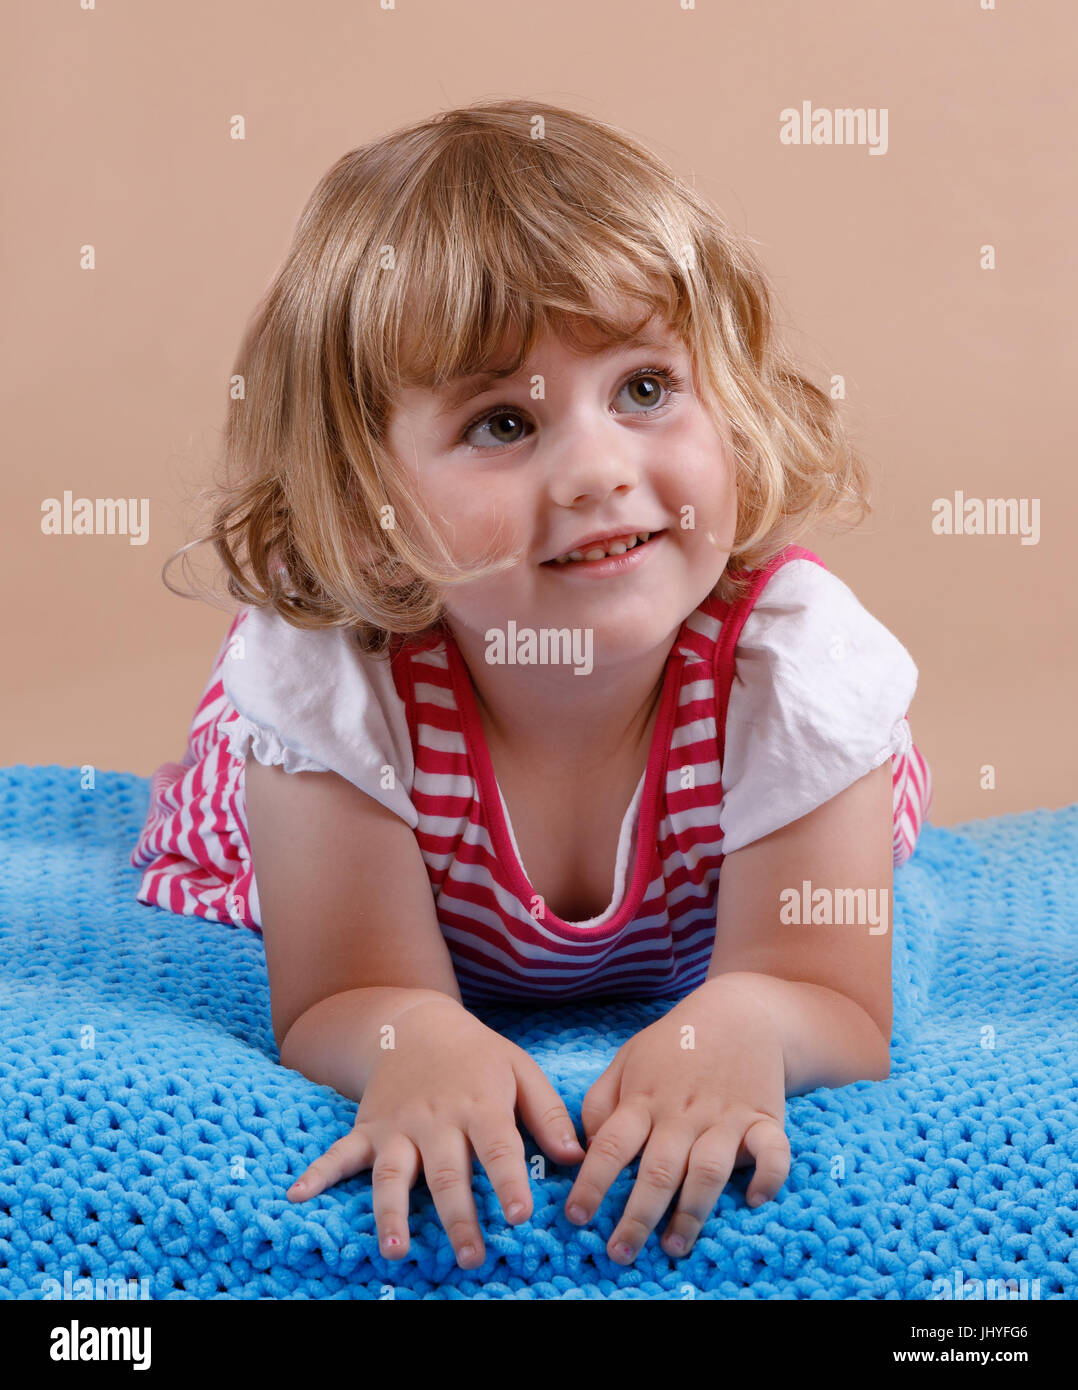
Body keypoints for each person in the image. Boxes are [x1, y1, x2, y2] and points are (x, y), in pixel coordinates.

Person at [131, 99, 933, 1272]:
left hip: (736, 788)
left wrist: (749, 1020)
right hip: (385, 734)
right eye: (502, 422)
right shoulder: (342, 686)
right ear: (367, 502)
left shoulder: (794, 673)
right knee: (253, 796)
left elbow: (832, 996)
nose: (598, 470)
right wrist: (412, 1038)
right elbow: (346, 991)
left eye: (645, 388)